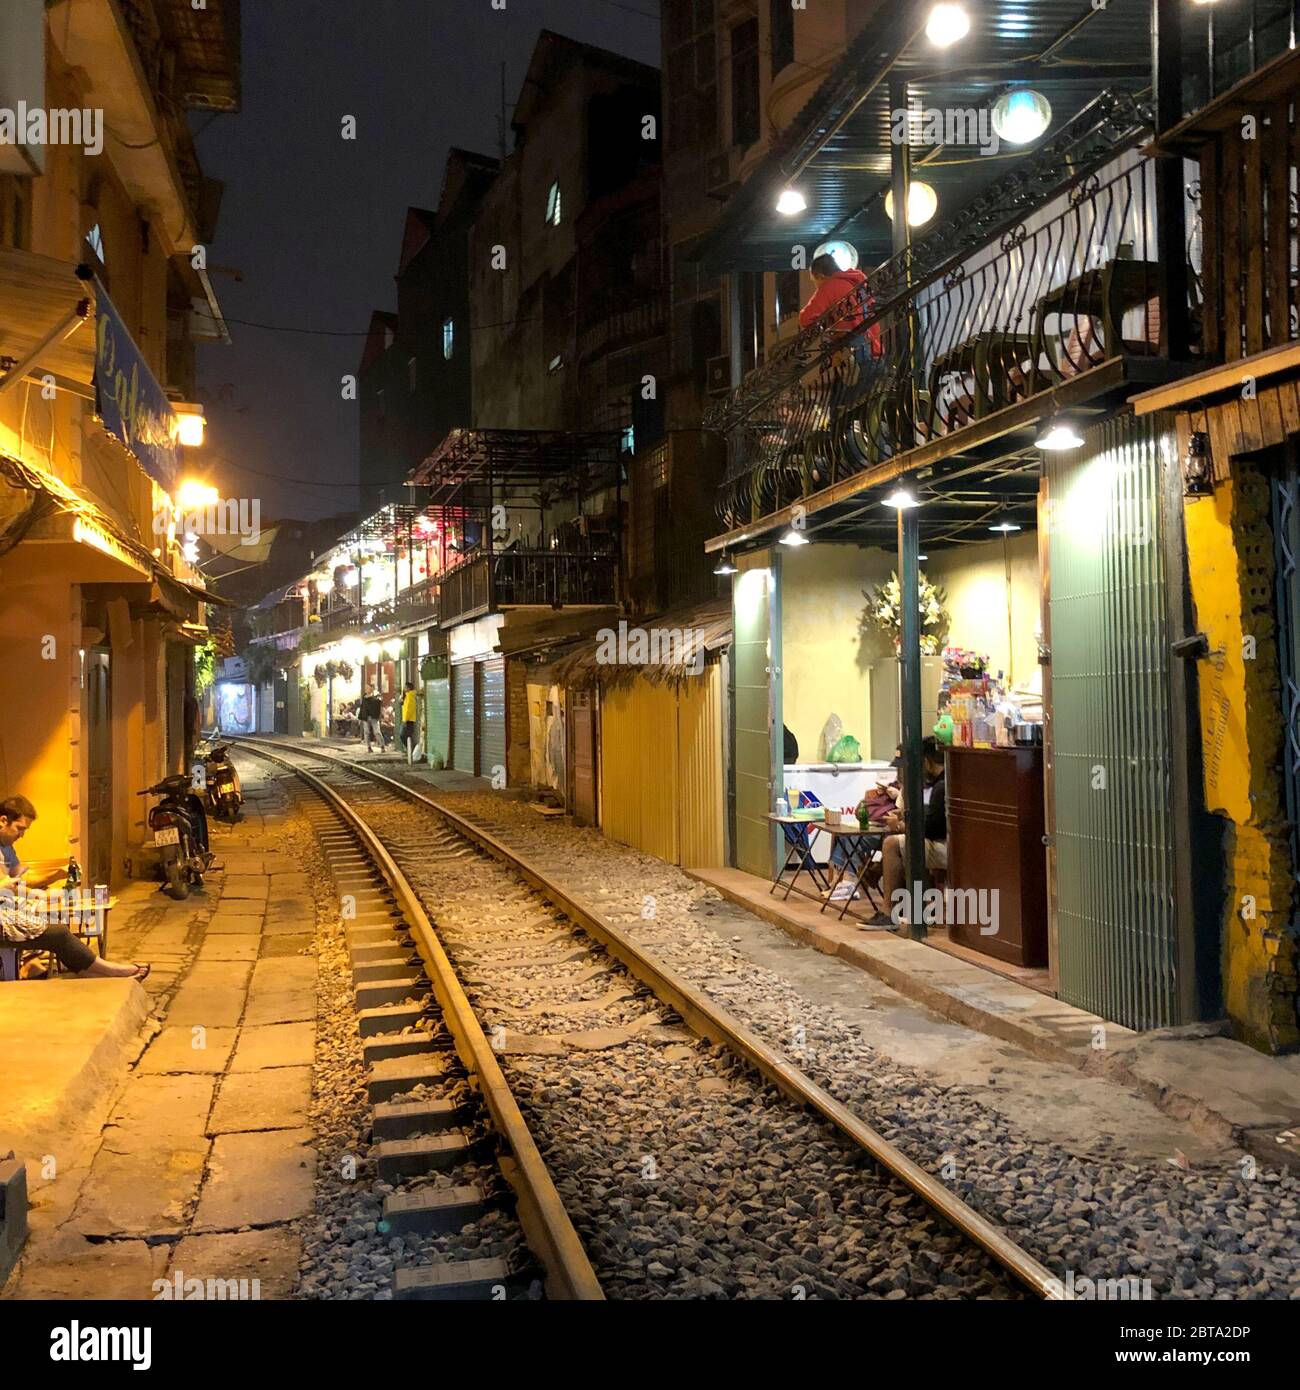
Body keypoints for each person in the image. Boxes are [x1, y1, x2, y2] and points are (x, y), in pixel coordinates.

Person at [0, 795, 149, 980]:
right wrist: (10, 887)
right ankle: (110, 970)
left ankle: (93, 970)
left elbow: (21, 878)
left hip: (10, 906)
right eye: (19, 829)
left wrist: (56, 875)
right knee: (58, 932)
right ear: (3, 820)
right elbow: (9, 885)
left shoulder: (6, 848)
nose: (22, 835)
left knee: (55, 918)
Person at [876, 738, 947, 925]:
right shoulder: (946, 781)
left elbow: (931, 830)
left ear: (925, 761)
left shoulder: (940, 787)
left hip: (949, 848)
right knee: (902, 842)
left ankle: (889, 912)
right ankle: (917, 905)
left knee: (892, 843)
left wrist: (902, 826)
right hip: (949, 842)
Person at [798, 253, 882, 366]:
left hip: (855, 355)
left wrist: (827, 324)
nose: (816, 286)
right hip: (875, 350)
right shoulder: (857, 284)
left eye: (815, 281)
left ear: (821, 276)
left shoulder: (829, 286)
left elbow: (805, 319)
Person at [361, 687, 387, 753]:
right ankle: (368, 747)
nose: (367, 690)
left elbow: (379, 701)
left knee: (377, 732)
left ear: (371, 689)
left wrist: (372, 697)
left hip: (374, 717)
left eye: (369, 688)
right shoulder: (364, 697)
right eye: (367, 689)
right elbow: (363, 707)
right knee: (367, 732)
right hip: (366, 717)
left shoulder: (376, 696)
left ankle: (382, 746)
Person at [399, 682, 420, 760]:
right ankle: (410, 751)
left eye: (405, 687)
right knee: (408, 736)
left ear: (408, 688)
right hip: (408, 719)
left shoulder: (410, 696)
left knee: (403, 735)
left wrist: (405, 720)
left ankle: (410, 750)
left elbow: (408, 709)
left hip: (408, 720)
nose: (404, 689)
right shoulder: (407, 696)